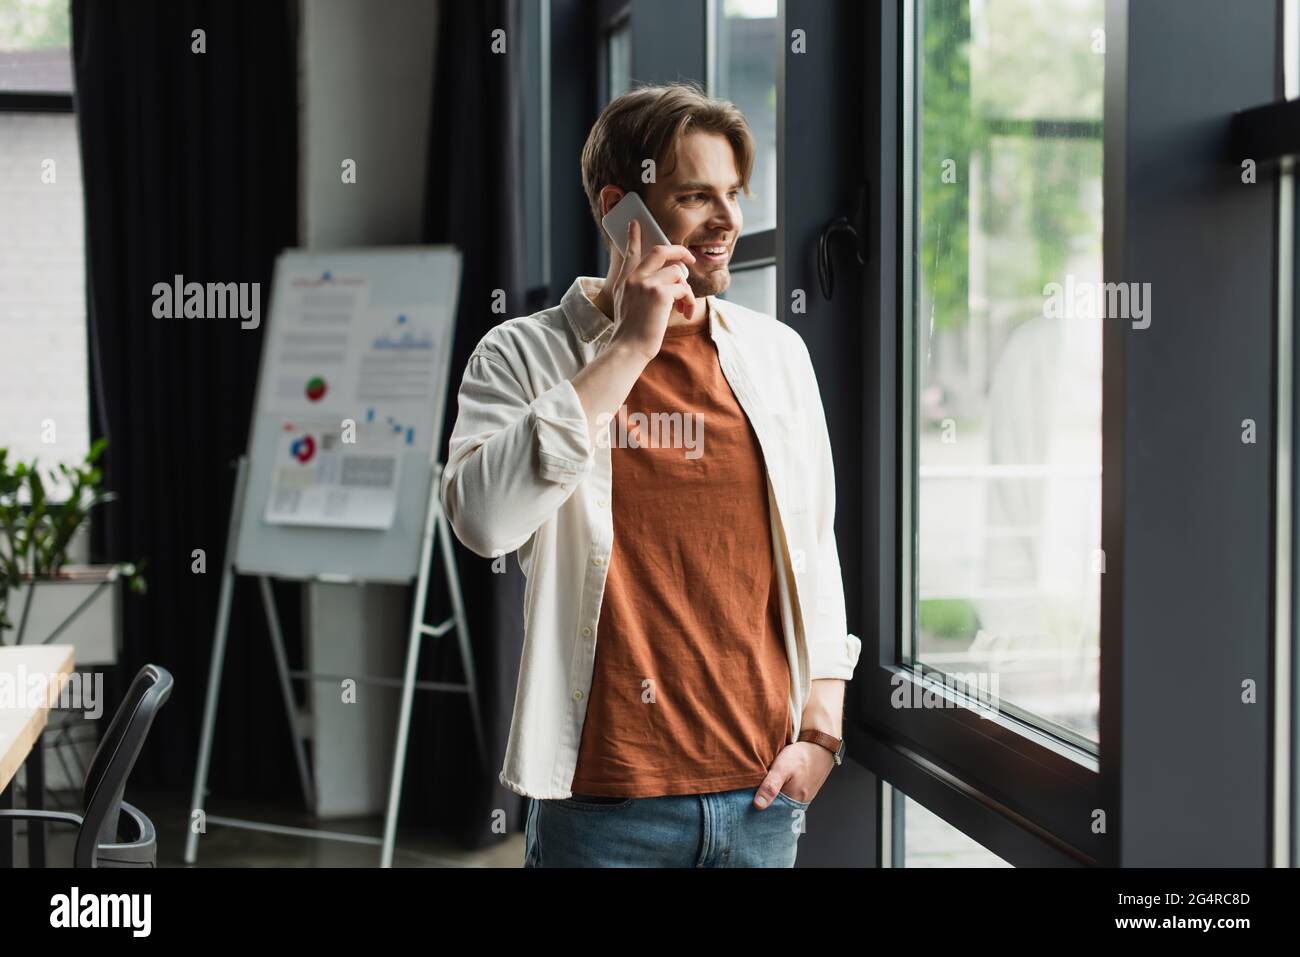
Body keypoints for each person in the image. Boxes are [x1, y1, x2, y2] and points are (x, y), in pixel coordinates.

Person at [441, 81, 861, 867]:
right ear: (618, 208)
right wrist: (628, 348)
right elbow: (482, 520)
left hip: (762, 801)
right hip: (607, 814)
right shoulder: (522, 356)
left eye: (734, 193)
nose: (729, 220)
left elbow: (815, 547)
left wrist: (823, 729)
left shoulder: (777, 357)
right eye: (696, 195)